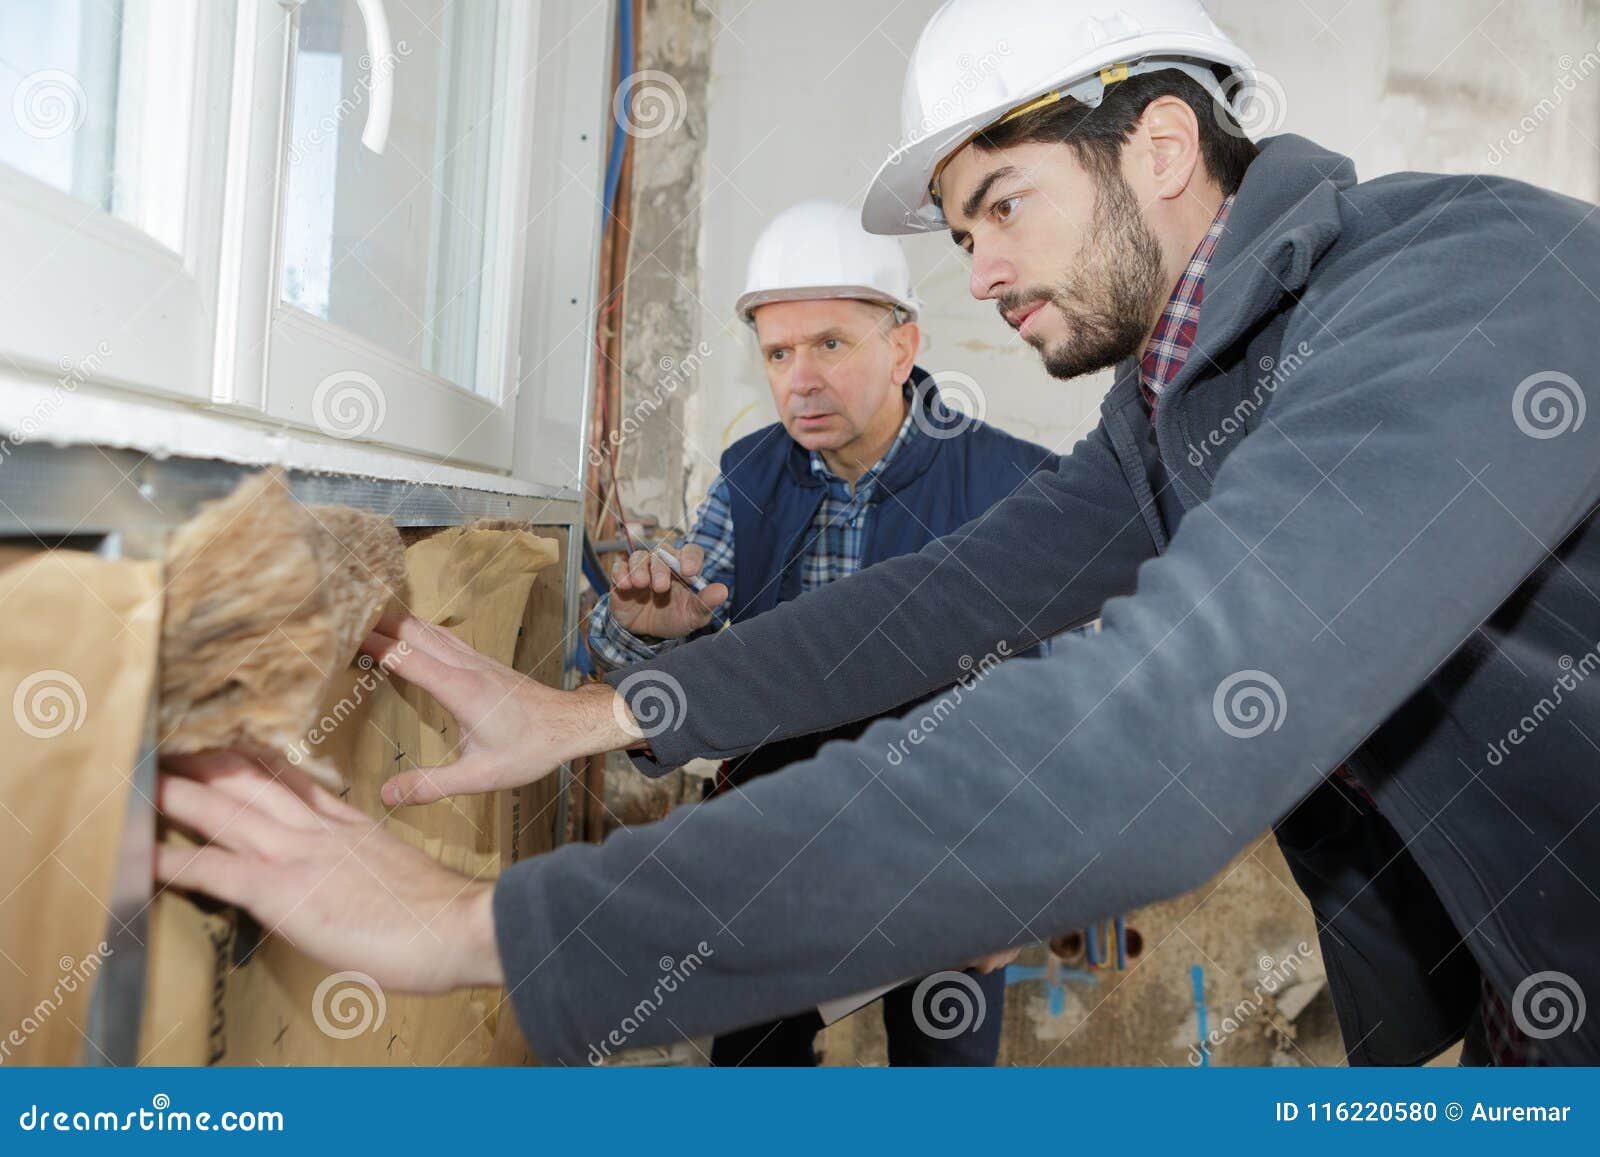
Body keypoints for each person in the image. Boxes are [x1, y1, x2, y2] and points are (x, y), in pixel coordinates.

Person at [157, 0, 1600, 1066]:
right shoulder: (1176, 401)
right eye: (961, 234)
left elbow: (1153, 736)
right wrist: (600, 713)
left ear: (1162, 145)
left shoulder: (1464, 287)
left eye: (1001, 207)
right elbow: (941, 605)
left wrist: (488, 928)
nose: (980, 272)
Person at [585, 200, 1062, 1064]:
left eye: (831, 344)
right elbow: (654, 659)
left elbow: (1075, 705)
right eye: (778, 352)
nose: (799, 379)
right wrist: (647, 635)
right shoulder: (749, 477)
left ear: (903, 346)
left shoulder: (1014, 486)